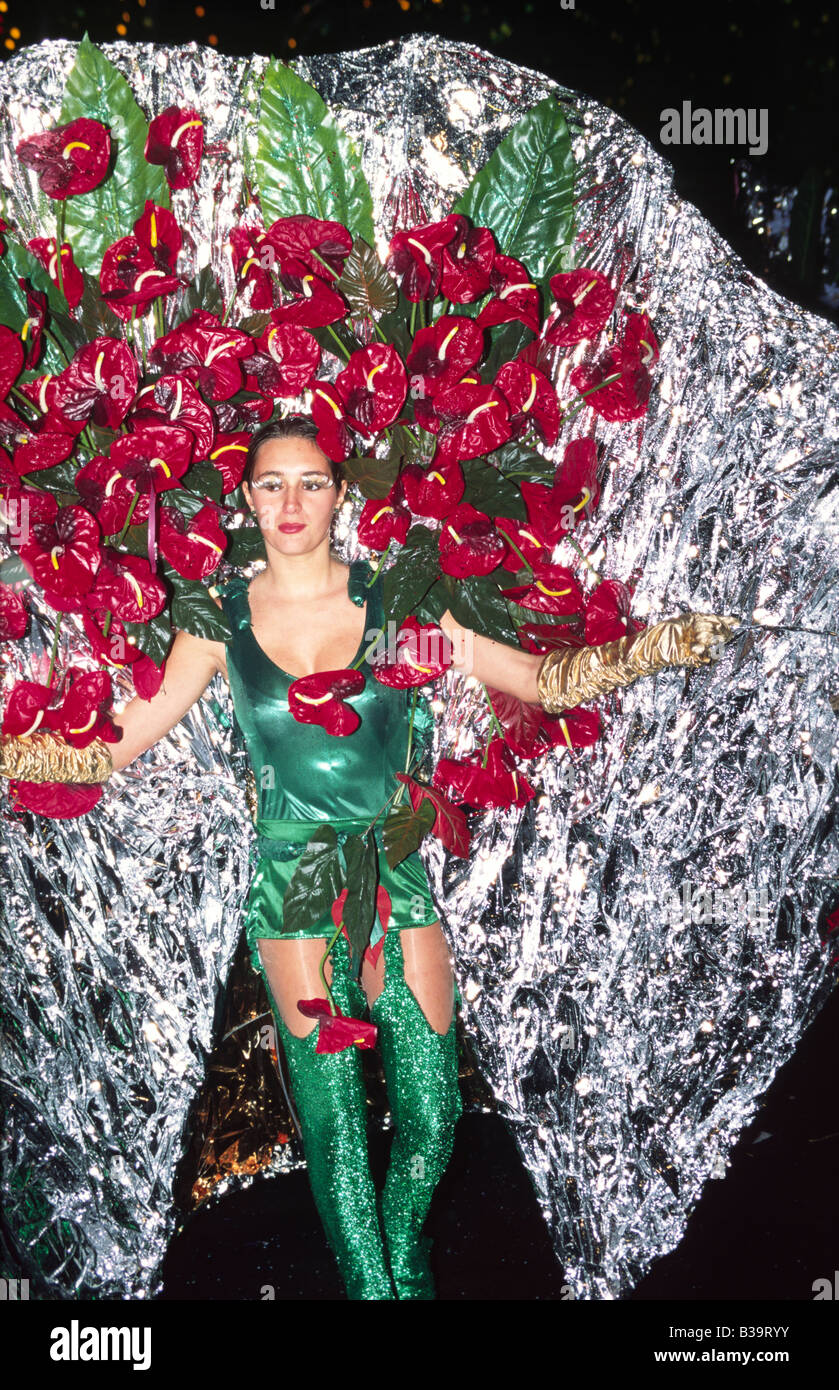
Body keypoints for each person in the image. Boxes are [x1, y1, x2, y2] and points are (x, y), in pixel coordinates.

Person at [0, 414, 740, 1300]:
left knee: (432, 1118)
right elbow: (113, 747)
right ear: (247, 499)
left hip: (395, 877)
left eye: (310, 482)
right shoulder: (221, 622)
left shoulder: (393, 608)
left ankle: (405, 1272)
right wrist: (17, 755)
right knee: (337, 1138)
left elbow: (538, 680)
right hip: (292, 888)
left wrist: (654, 649)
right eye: (272, 484)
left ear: (339, 494)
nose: (291, 502)